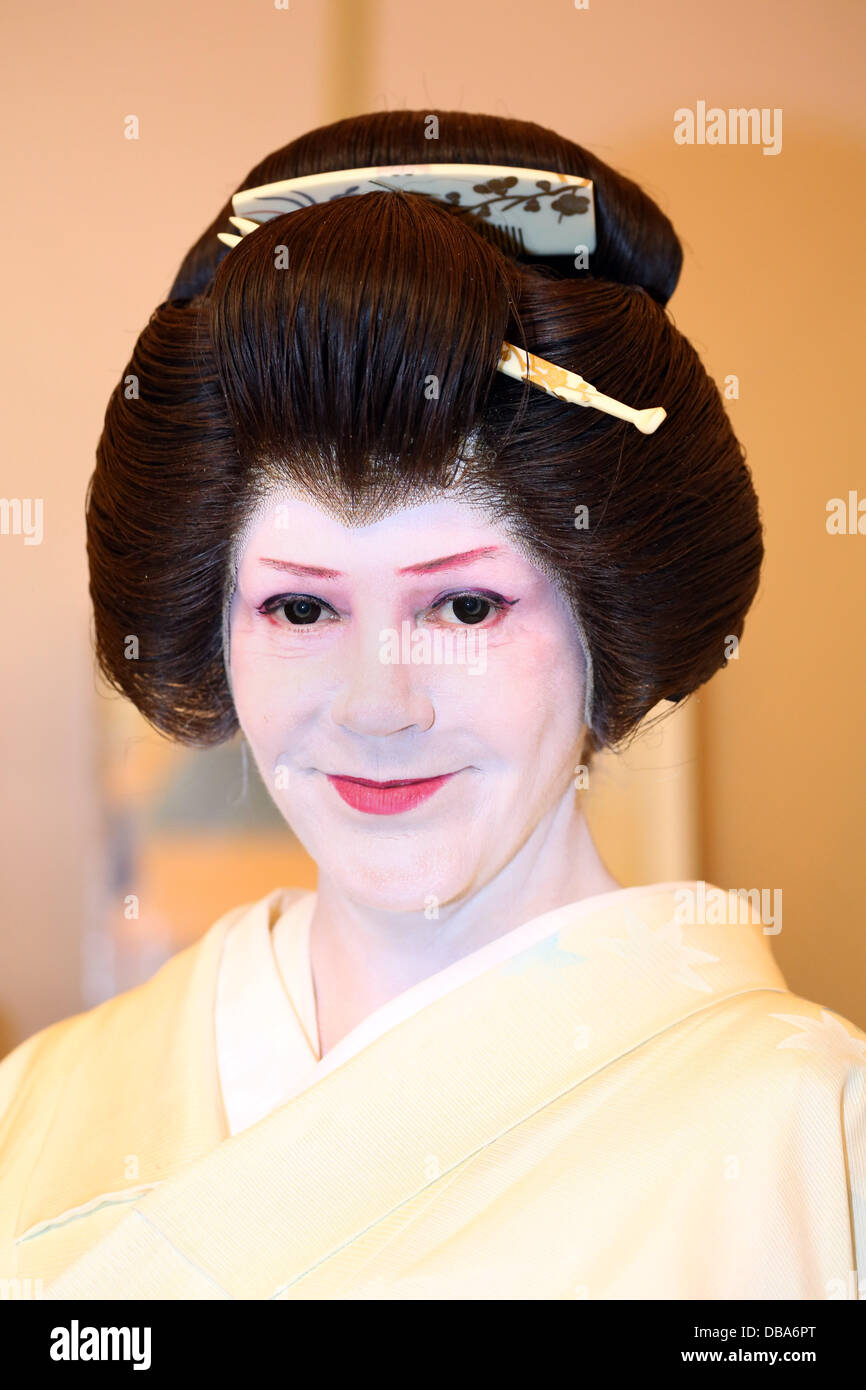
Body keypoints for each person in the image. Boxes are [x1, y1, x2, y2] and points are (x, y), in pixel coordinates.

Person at [0, 110, 862, 1301]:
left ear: (604, 619)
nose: (375, 707)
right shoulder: (39, 1107)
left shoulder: (810, 1130)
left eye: (463, 609)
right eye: (299, 612)